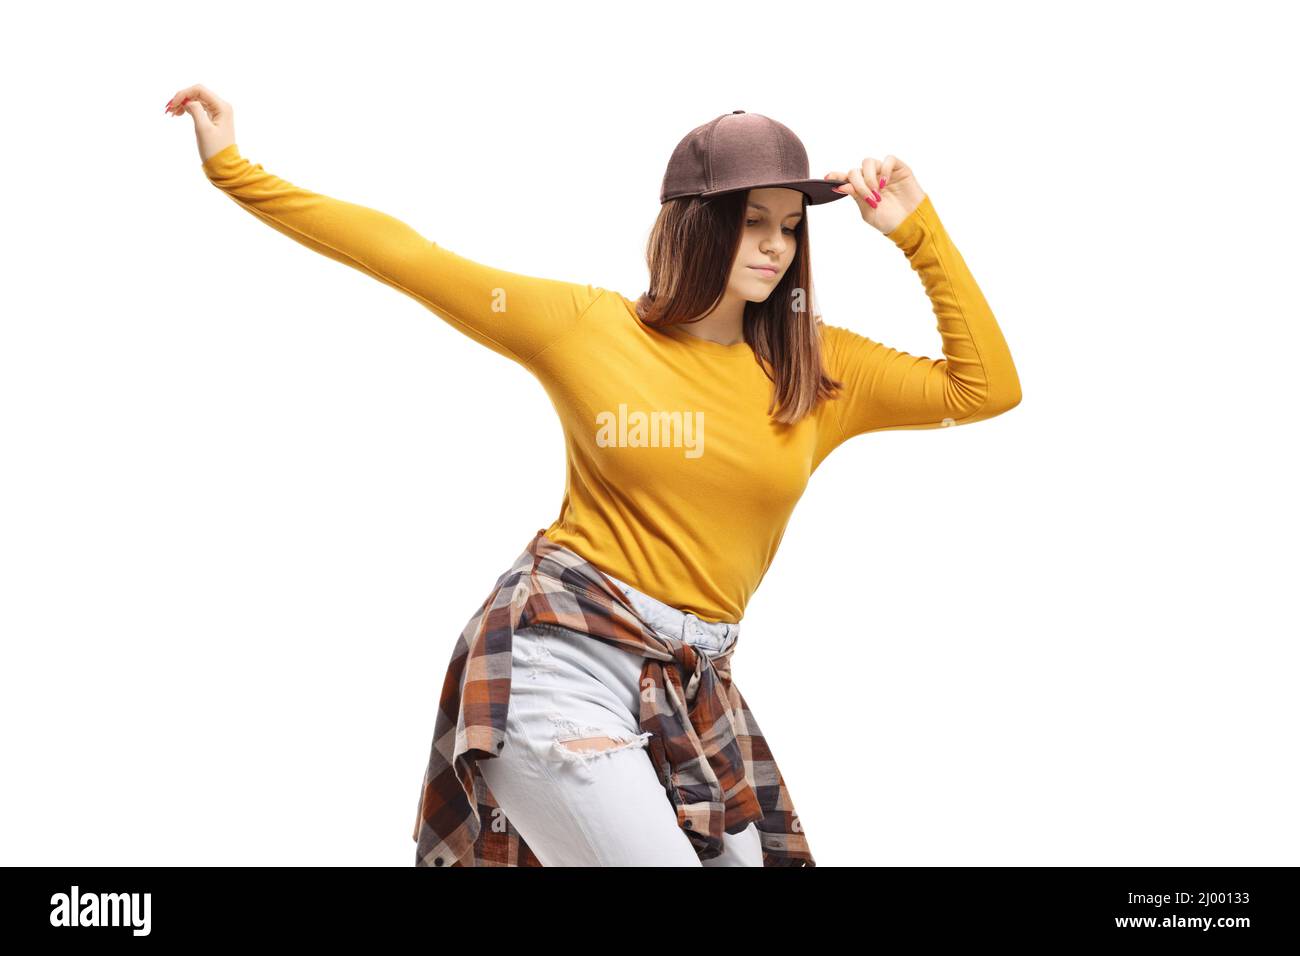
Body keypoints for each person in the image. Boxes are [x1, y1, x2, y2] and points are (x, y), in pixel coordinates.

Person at [167, 86, 1023, 866]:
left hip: (688, 688)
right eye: (753, 219)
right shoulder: (590, 329)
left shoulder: (816, 372)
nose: (775, 245)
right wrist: (235, 171)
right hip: (557, 659)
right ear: (695, 223)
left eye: (791, 225)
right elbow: (412, 258)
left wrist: (917, 229)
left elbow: (985, 388)